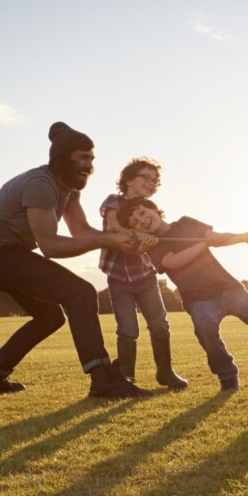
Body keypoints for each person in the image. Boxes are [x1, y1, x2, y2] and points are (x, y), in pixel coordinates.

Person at [0, 122, 155, 398]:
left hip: (5, 255)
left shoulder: (68, 190)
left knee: (49, 317)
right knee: (80, 293)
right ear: (62, 157)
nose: (89, 165)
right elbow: (50, 246)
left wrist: (125, 238)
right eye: (82, 157)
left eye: (91, 159)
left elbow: (82, 232)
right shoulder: (41, 184)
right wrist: (109, 240)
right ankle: (102, 379)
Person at [117, 197, 248, 392]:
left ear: (154, 209)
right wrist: (205, 243)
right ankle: (227, 376)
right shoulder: (153, 245)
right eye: (135, 222)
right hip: (199, 300)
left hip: (231, 289)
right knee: (206, 330)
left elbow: (217, 238)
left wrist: (244, 237)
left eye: (143, 213)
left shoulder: (186, 223)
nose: (142, 220)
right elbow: (174, 261)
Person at [99, 158, 187, 389]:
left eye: (154, 181)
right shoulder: (114, 201)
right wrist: (138, 235)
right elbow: (115, 226)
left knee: (159, 324)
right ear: (128, 179)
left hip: (145, 277)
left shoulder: (149, 211)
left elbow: (166, 231)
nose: (151, 183)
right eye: (145, 177)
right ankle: (127, 377)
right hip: (118, 278)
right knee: (128, 329)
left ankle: (165, 372)